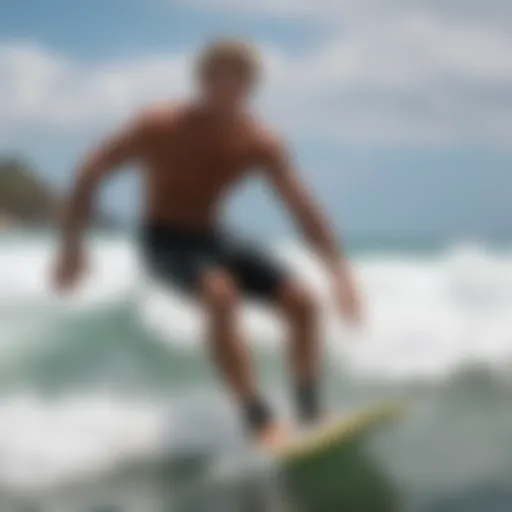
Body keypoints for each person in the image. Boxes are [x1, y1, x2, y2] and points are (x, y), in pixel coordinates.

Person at [53, 38, 362, 449]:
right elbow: (91, 169)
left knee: (304, 303)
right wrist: (73, 247)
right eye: (216, 75)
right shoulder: (159, 124)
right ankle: (258, 420)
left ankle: (309, 410)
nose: (225, 85)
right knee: (220, 293)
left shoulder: (260, 142)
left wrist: (340, 274)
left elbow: (303, 208)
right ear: (200, 80)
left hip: (215, 236)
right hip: (164, 240)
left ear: (251, 86)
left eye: (237, 77)